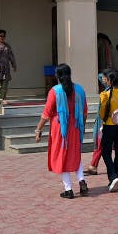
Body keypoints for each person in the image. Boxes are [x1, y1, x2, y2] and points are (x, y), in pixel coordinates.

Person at [34, 63, 88, 198]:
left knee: (61, 156)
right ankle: (82, 181)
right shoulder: (80, 89)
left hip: (60, 130)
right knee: (75, 154)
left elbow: (46, 114)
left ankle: (68, 189)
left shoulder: (55, 91)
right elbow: (85, 113)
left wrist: (38, 129)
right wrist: (82, 127)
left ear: (57, 76)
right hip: (75, 127)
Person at [0, 29, 17, 101]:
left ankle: (2, 100)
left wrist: (14, 65)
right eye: (0, 36)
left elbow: (11, 56)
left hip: (6, 69)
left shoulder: (7, 46)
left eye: (3, 36)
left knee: (4, 86)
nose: (2, 37)